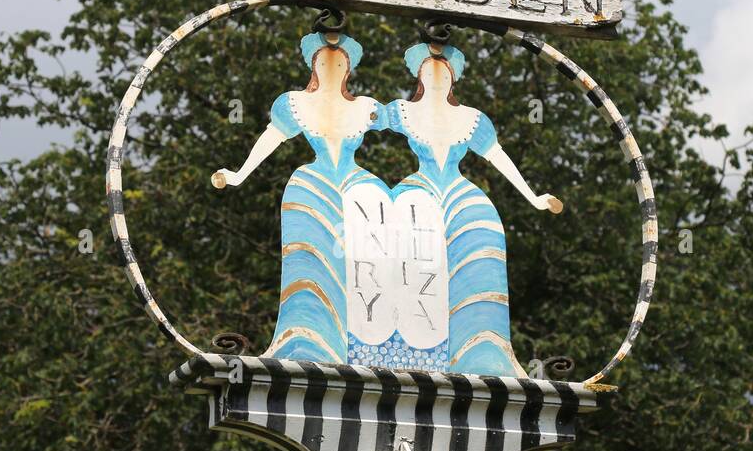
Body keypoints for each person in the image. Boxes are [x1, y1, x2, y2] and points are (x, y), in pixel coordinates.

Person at [384, 39, 563, 376]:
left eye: (444, 74)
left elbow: (498, 157)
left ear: (454, 79)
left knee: (482, 243)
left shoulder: (472, 120)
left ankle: (481, 352)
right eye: (429, 73)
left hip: (461, 196)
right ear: (419, 78)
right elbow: (360, 120)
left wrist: (533, 197)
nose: (438, 80)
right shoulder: (402, 111)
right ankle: (405, 352)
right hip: (417, 194)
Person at [211, 27, 388, 363]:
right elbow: (271, 137)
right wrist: (238, 175)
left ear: (348, 70)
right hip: (312, 188)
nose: (331, 69)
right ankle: (308, 339)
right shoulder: (297, 104)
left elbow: (406, 119)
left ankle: (368, 344)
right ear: (313, 67)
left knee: (364, 268)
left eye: (339, 65)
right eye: (323, 63)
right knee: (310, 263)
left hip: (358, 189)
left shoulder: (366, 107)